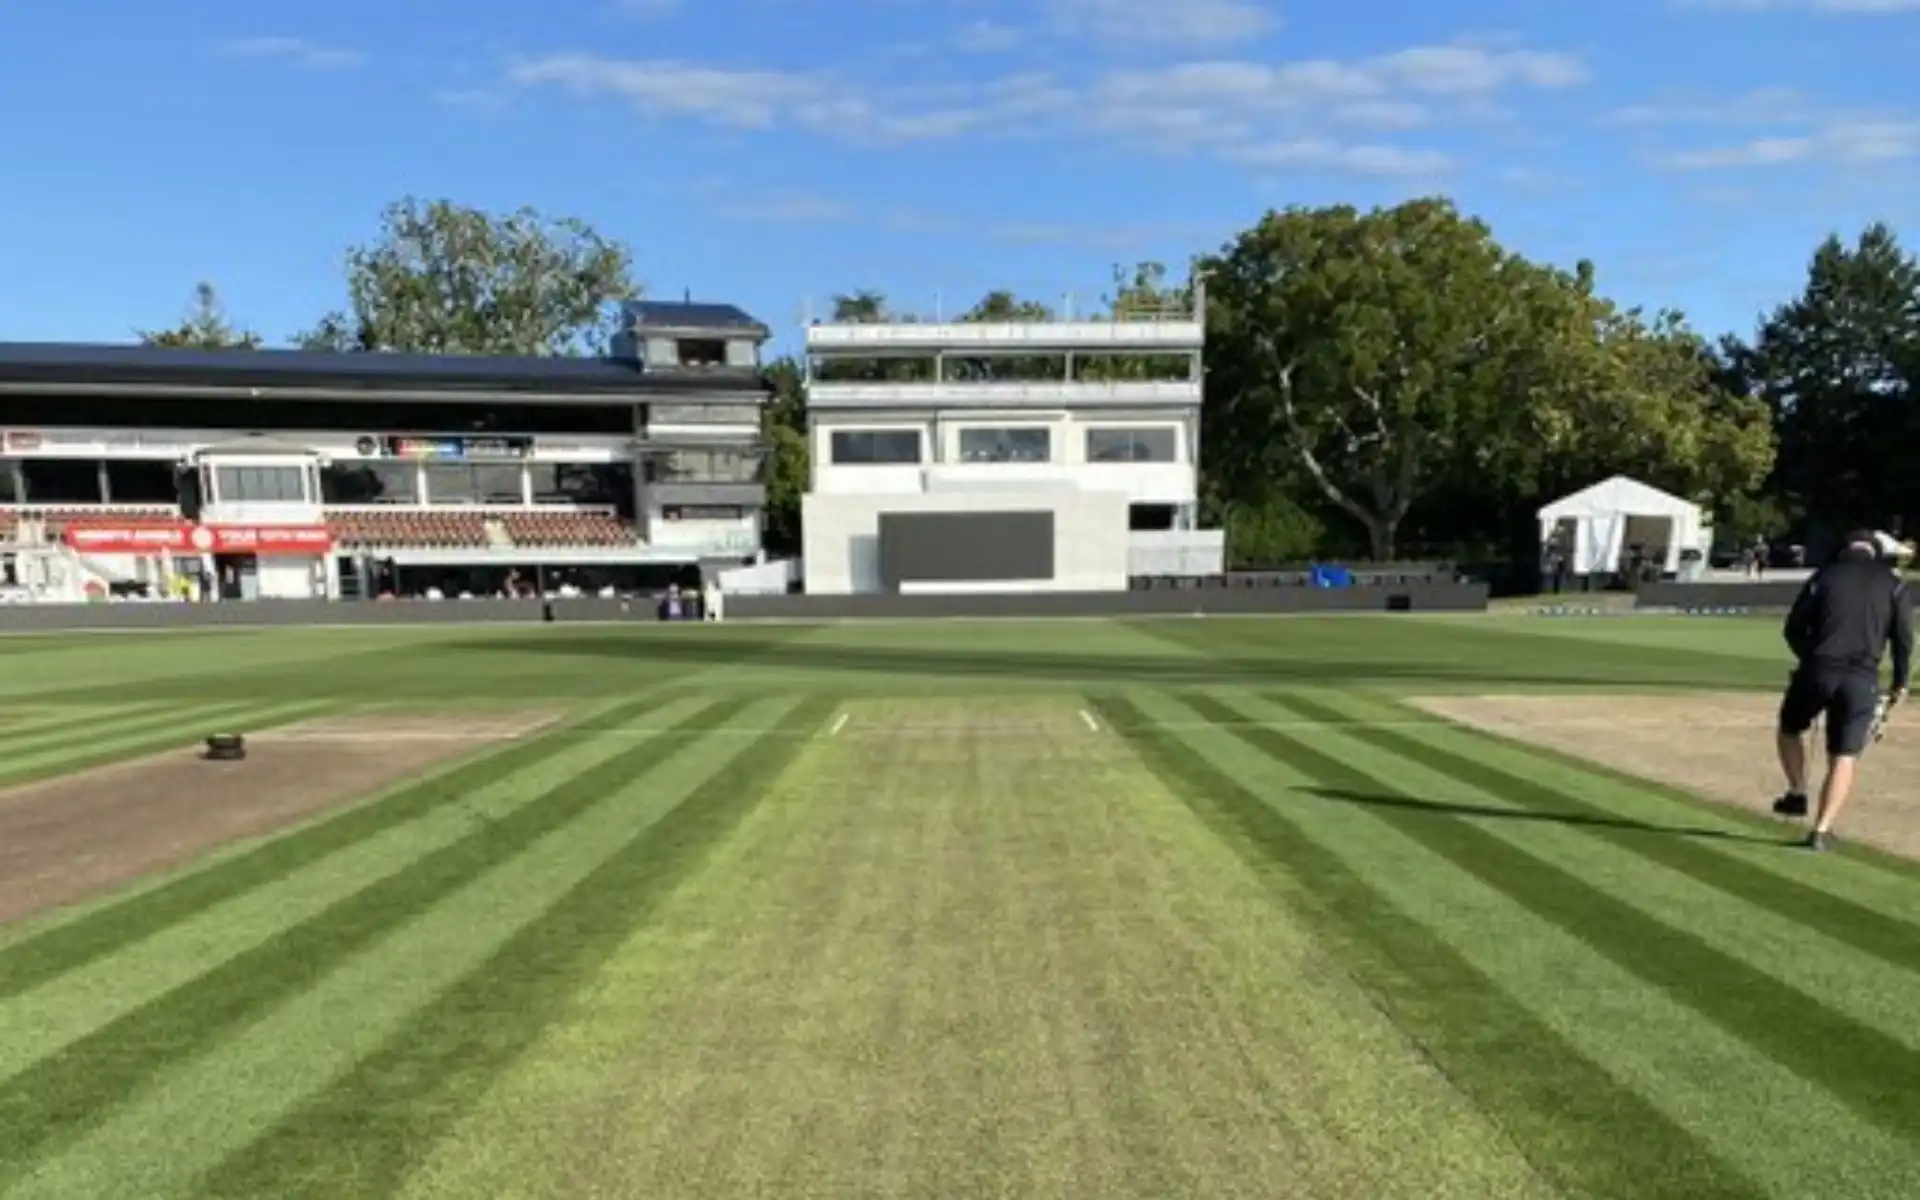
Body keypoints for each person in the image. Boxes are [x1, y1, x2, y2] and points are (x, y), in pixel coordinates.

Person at [1772, 529, 1913, 850]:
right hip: (1861, 677)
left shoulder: (1825, 576)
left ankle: (1797, 791)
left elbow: (1793, 627)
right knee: (1844, 754)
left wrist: (1808, 657)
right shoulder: (1894, 584)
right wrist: (1900, 683)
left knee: (1789, 728)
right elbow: (1903, 640)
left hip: (1818, 668)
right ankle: (1821, 830)